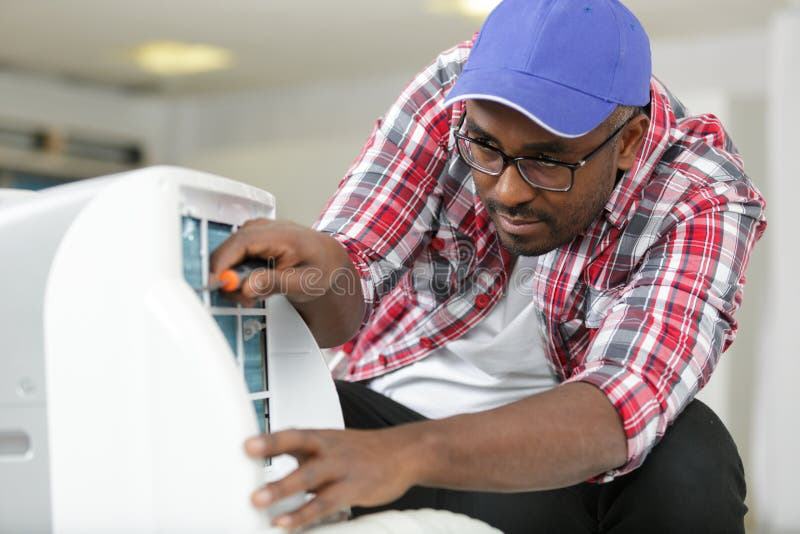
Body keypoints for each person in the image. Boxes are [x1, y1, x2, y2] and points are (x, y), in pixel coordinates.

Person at [210, 0, 766, 532]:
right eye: (485, 147)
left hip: (546, 468)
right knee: (272, 405)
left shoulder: (702, 195)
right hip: (384, 415)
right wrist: (322, 264)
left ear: (628, 142)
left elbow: (621, 403)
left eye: (548, 160)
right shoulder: (456, 91)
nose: (507, 190)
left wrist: (407, 456)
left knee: (693, 453)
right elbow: (350, 281)